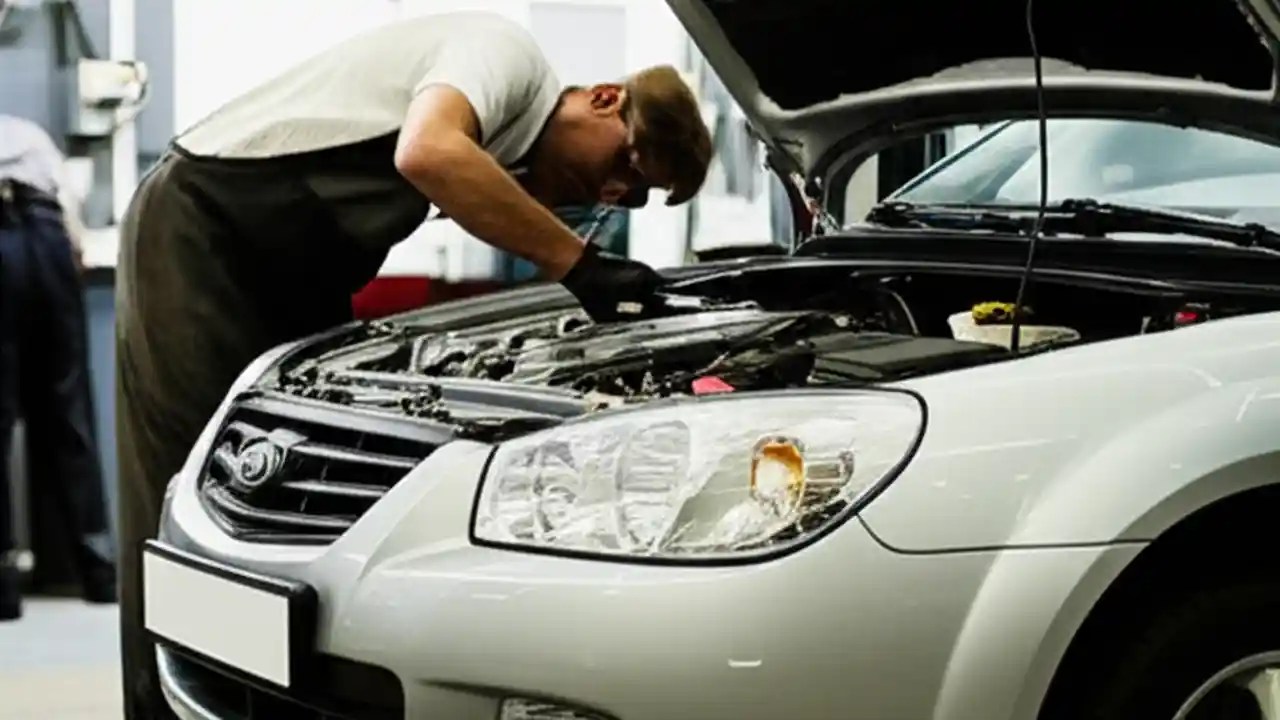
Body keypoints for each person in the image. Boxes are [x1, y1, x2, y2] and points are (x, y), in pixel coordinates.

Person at [113, 10, 712, 719]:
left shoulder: (502, 149)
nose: (613, 197)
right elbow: (427, 152)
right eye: (627, 166)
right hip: (204, 228)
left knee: (294, 503)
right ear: (605, 99)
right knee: (202, 503)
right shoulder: (507, 55)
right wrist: (579, 265)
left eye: (633, 197)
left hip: (290, 262)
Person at [0, 114, 117, 621]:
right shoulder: (29, 134)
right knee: (68, 411)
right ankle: (96, 572)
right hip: (47, 232)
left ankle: (2, 587)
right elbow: (74, 226)